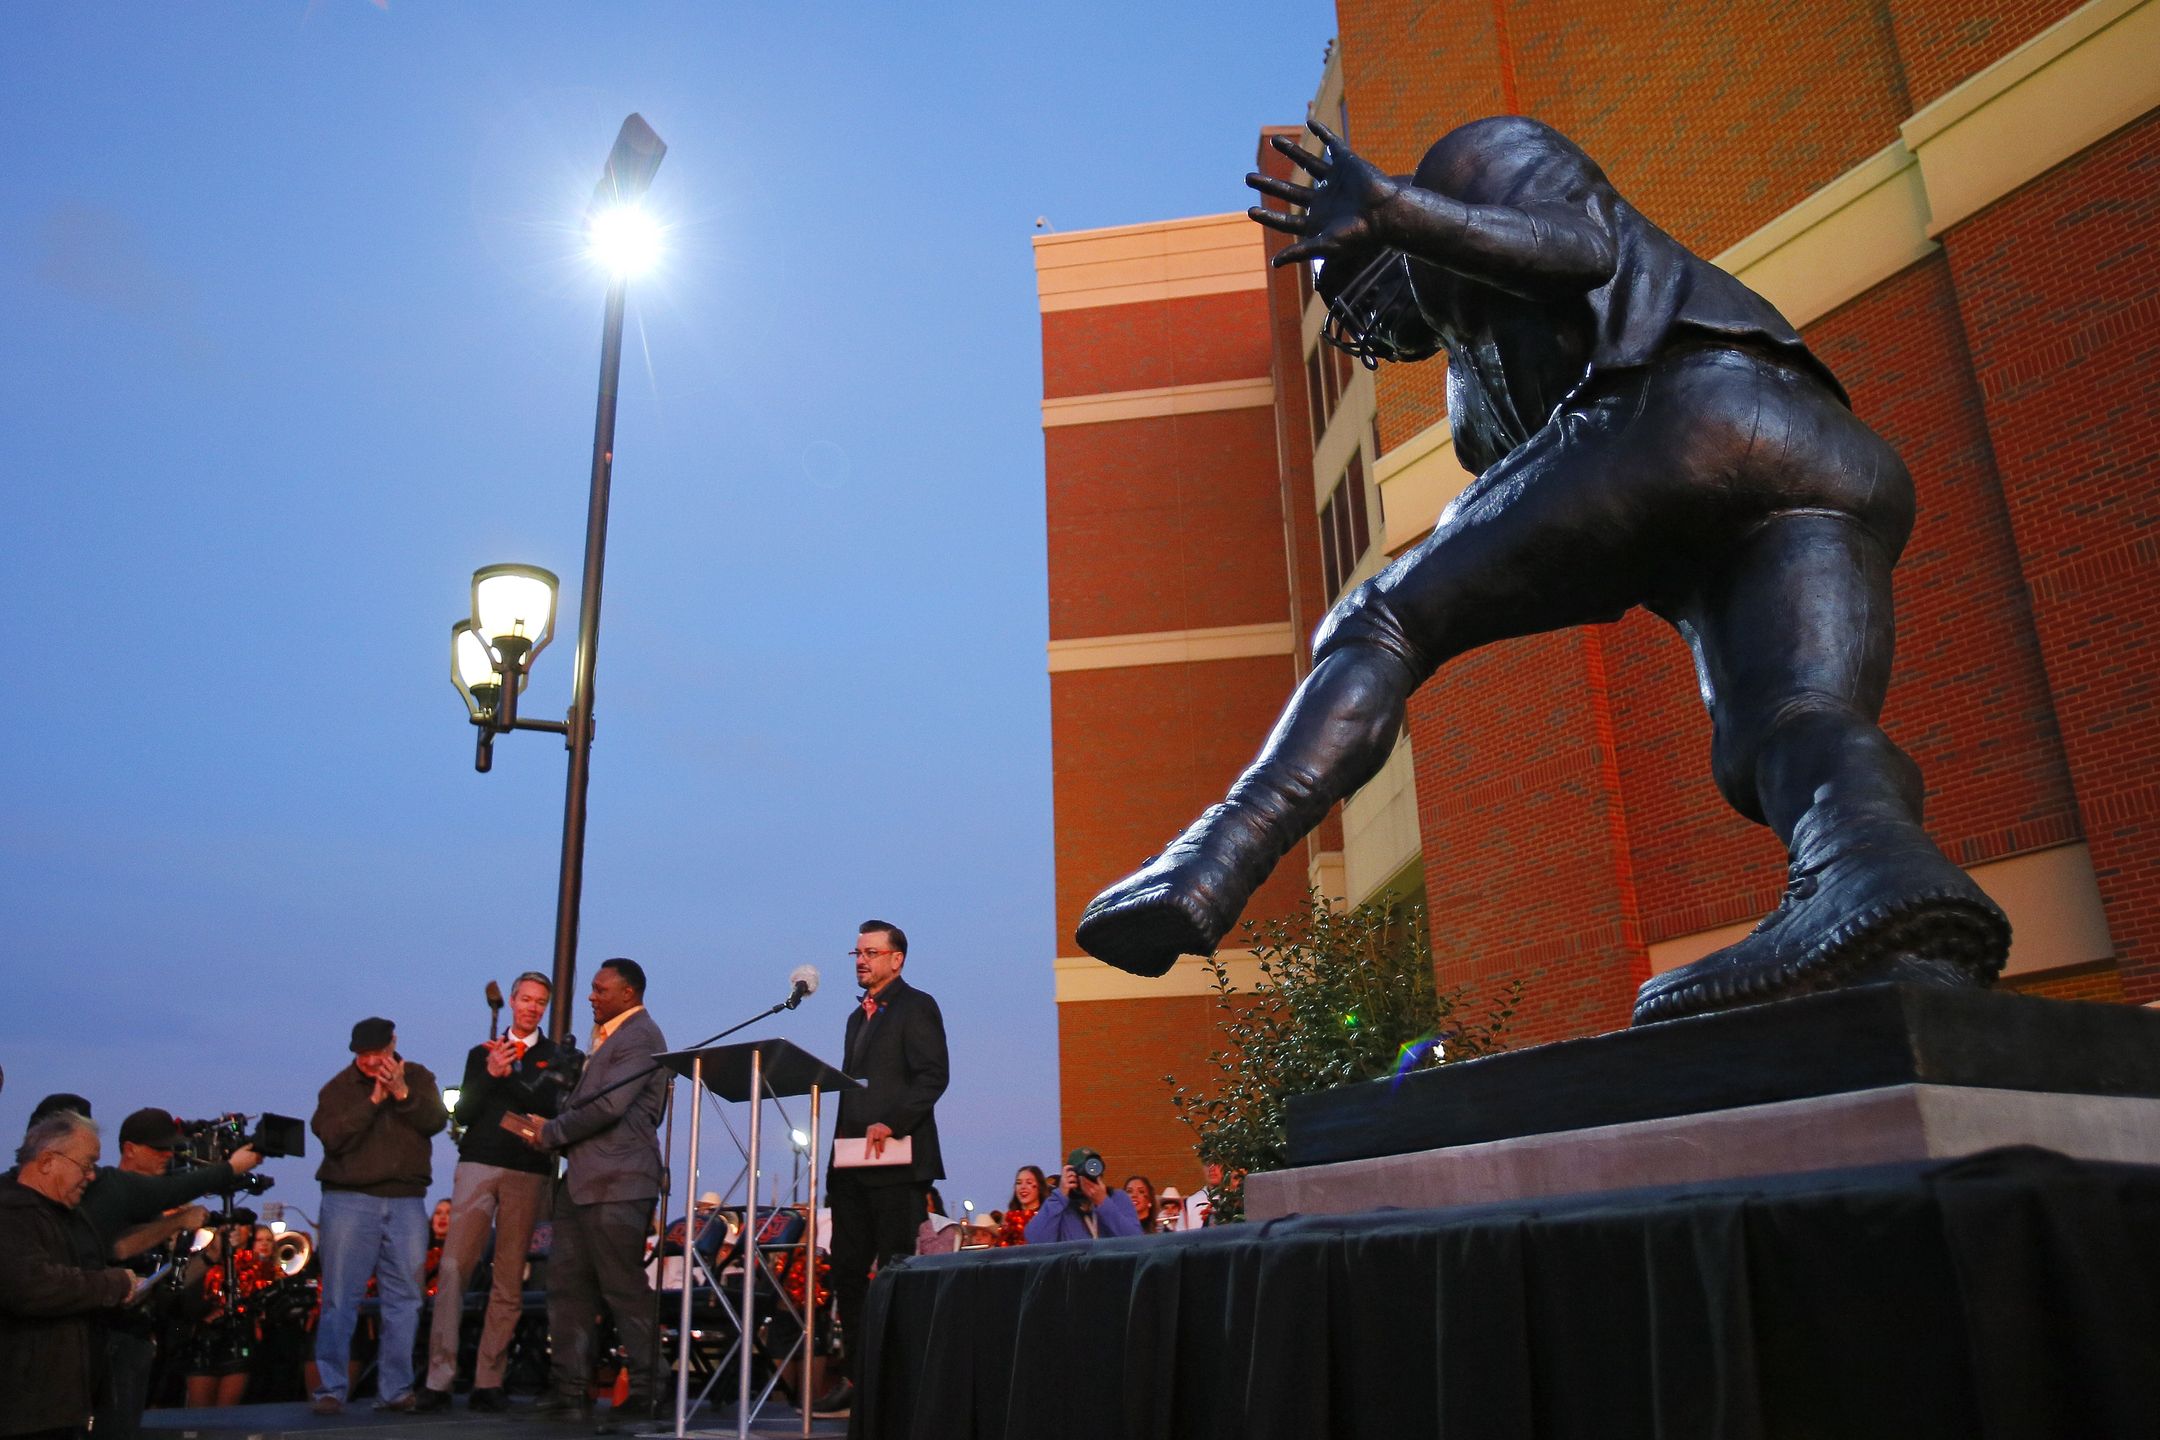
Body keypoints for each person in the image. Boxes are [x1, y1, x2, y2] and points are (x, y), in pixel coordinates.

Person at [1080, 115, 2011, 1027]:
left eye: (1353, 280)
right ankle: (1871, 875)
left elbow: (1582, 245)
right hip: (1817, 470)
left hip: (1699, 404)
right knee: (1784, 727)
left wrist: (1404, 208)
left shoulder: (1470, 163)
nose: (1365, 327)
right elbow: (1559, 509)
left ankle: (1215, 855)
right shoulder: (1473, 402)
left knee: (1383, 618)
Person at [505, 958, 668, 1425]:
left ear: (628, 994)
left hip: (619, 1181)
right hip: (582, 1180)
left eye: (600, 990)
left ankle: (649, 1387)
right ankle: (570, 1388)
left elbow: (611, 1106)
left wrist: (552, 1133)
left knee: (623, 1288)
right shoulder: (607, 1038)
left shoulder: (641, 1036)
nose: (591, 996)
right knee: (567, 1288)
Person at [813, 921, 949, 1420]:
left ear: (898, 959)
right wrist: (833, 1162)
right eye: (857, 951)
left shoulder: (917, 1006)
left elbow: (934, 1075)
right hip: (851, 1167)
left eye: (871, 952)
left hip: (895, 1163)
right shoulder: (856, 1017)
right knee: (847, 1272)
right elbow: (851, 1092)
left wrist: (891, 1123)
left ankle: (896, 1377)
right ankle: (857, 1375)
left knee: (894, 1271)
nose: (861, 960)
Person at [415, 971, 566, 1413]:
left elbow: (548, 1109)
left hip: (526, 1169)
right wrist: (489, 1073)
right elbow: (461, 1111)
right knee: (454, 1268)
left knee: (509, 1277)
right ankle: (438, 1379)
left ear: (545, 1007)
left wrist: (510, 1075)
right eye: (525, 999)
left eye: (540, 1002)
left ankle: (489, 1379)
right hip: (479, 1162)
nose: (531, 1007)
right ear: (514, 1001)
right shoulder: (480, 1052)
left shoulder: (554, 1056)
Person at [77, 1108, 264, 1440]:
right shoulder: (113, 1191)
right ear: (129, 1148)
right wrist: (228, 1170)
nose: (167, 1155)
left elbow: (168, 1280)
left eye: (171, 1148)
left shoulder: (155, 1201)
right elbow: (119, 1249)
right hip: (106, 1333)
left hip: (141, 1332)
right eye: (158, 1148)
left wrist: (208, 1257)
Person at [308, 1016, 447, 1415]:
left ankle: (395, 1390)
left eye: (377, 1053)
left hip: (405, 1200)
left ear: (393, 1044)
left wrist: (402, 1094)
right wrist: (373, 1102)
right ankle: (331, 1389)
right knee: (339, 1297)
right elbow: (331, 1136)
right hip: (349, 1199)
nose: (370, 1062)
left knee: (405, 1299)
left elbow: (435, 1121)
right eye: (363, 1055)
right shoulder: (338, 1088)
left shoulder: (418, 1076)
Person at [0, 1111, 139, 1440]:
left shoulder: (57, 1215)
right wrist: (113, 1284)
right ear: (47, 1161)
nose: (91, 1176)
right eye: (86, 1164)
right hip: (25, 1416)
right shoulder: (12, 1213)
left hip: (52, 1411)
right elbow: (33, 1286)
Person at [1026, 1149, 1142, 1243]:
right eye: (1083, 1172)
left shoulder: (1117, 1198)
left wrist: (1103, 1203)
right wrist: (1060, 1195)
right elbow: (1035, 1238)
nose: (1088, 1177)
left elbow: (1136, 1240)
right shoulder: (1060, 1206)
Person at [992, 1166, 1048, 1248]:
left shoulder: (1048, 1216)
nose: (1023, 1187)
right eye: (1019, 1183)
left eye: (1029, 1182)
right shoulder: (1008, 1219)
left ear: (1039, 1187)